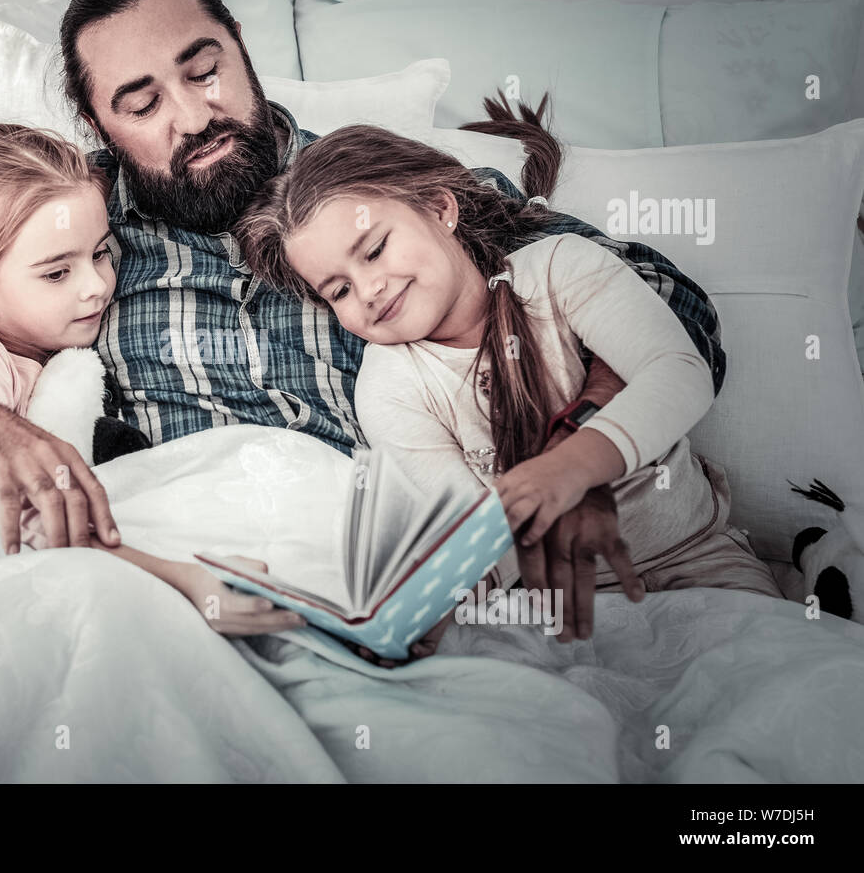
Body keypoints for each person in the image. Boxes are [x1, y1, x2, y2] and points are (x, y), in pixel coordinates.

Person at [0, 0, 730, 642]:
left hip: (387, 568)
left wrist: (577, 454)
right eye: (140, 102)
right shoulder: (70, 231)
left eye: (204, 67)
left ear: (241, 51)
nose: (193, 116)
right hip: (196, 584)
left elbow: (660, 296)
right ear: (99, 122)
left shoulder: (369, 189)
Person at [236, 100, 781, 653]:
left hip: (695, 558)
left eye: (374, 250)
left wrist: (569, 467)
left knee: (774, 679)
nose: (369, 288)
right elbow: (475, 531)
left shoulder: (559, 269)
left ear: (440, 208)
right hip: (553, 609)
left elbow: (679, 372)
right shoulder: (388, 388)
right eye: (340, 290)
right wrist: (426, 609)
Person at [0, 122, 306, 638]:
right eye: (56, 273)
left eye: (100, 253)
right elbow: (27, 522)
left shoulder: (51, 355)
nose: (95, 287)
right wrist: (183, 582)